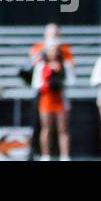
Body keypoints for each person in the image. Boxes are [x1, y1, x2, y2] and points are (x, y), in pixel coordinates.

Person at [30, 23, 74, 161]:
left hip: (60, 97)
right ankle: (45, 155)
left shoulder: (65, 58)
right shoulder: (40, 60)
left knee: (63, 129)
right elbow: (35, 82)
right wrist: (47, 81)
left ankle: (65, 156)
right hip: (46, 97)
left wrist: (59, 79)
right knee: (46, 128)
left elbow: (71, 78)